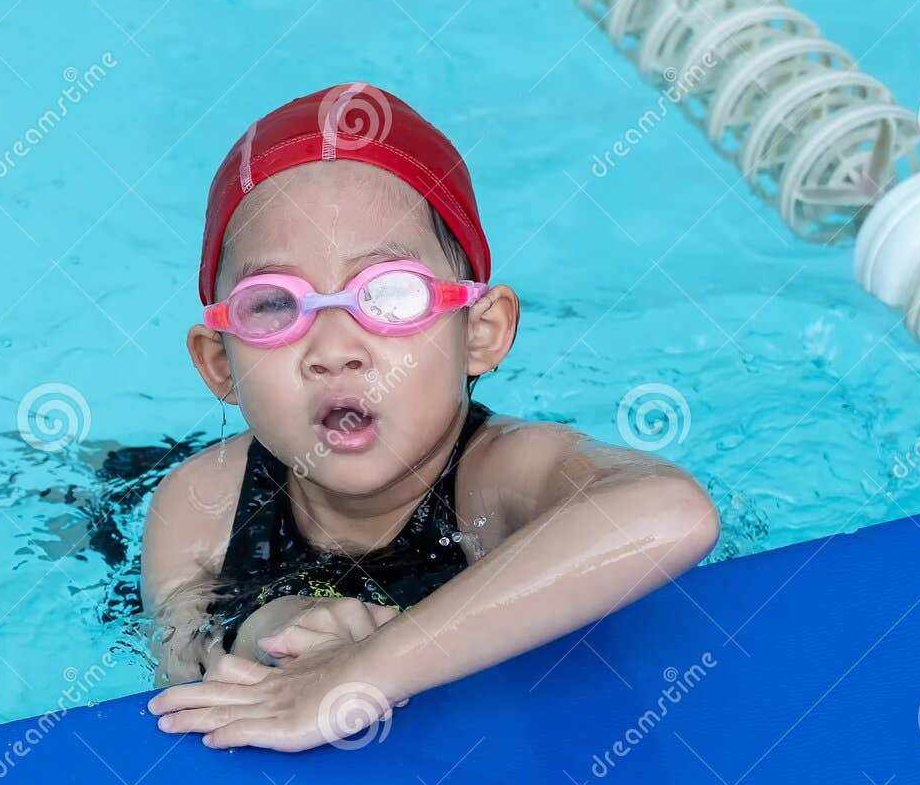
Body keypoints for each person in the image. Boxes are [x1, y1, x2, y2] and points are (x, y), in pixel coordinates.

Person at [142, 82, 718, 751]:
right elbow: (181, 664)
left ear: (479, 332)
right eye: (272, 305)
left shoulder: (501, 476)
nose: (333, 350)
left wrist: (361, 672)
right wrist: (270, 627)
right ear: (219, 363)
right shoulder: (199, 503)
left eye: (389, 295)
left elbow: (672, 511)